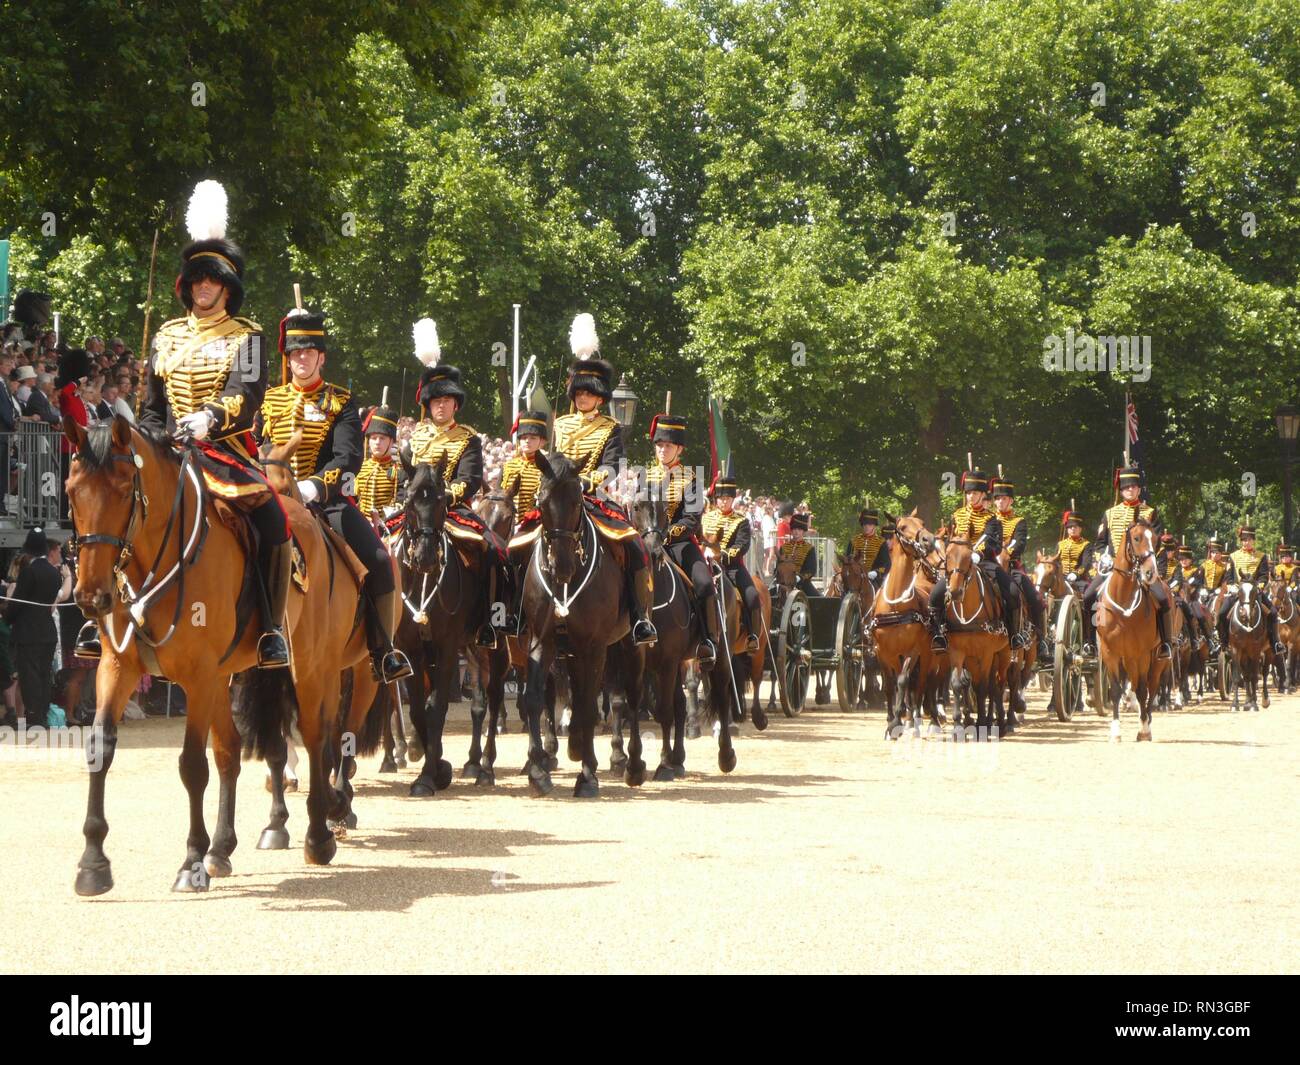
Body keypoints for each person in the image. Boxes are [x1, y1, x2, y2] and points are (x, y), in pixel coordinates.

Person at [81, 179, 291, 667]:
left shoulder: (250, 338)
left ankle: (272, 631)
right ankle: (103, 622)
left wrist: (211, 417)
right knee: (115, 510)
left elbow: (247, 395)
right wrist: (146, 433)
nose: (203, 287)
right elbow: (153, 405)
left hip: (224, 453)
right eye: (196, 279)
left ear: (227, 287)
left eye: (212, 280)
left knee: (275, 522)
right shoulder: (167, 335)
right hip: (167, 450)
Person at [256, 309, 412, 683]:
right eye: (295, 353)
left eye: (309, 351)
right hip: (272, 497)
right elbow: (254, 446)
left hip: (324, 501)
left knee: (377, 558)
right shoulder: (269, 400)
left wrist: (315, 485)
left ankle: (382, 650)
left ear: (322, 357)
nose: (302, 358)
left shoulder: (341, 401)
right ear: (288, 358)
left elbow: (347, 457)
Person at [545, 313, 655, 644]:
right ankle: (519, 614)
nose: (582, 398)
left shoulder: (610, 428)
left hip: (595, 498)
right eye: (578, 393)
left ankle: (639, 618)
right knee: (521, 542)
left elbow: (613, 466)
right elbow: (552, 462)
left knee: (634, 547)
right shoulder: (560, 425)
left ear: (599, 396)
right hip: (562, 498)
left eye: (588, 393)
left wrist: (587, 482)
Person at [406, 318, 515, 648]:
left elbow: (470, 480)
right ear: (428, 404)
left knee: (494, 552)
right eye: (435, 401)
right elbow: (404, 478)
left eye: (447, 401)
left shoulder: (467, 438)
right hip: (416, 513)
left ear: (455, 404)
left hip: (453, 511)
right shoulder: (413, 439)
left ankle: (488, 621)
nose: (441, 405)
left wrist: (443, 498)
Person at [647, 412, 721, 668]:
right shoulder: (643, 477)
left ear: (679, 449)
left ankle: (708, 640)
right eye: (659, 445)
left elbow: (691, 519)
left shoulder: (691, 478)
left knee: (703, 583)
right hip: (647, 542)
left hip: (679, 544)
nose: (662, 450)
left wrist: (665, 535)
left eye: (667, 445)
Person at [1079, 465, 1172, 659]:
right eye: (1127, 487)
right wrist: (1101, 559)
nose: (1130, 490)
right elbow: (1100, 543)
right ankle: (1089, 643)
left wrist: (1150, 565)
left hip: (1143, 567)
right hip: (1114, 568)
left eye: (1134, 486)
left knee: (1162, 598)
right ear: (1121, 490)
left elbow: (1156, 543)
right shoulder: (1110, 514)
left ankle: (1165, 644)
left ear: (1139, 489)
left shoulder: (1151, 512)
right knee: (1087, 596)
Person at [928, 467, 1023, 652]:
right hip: (958, 564)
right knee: (935, 595)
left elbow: (995, 545)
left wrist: (978, 553)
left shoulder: (992, 519)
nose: (971, 497)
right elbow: (949, 540)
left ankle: (1013, 634)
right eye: (969, 493)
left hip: (985, 563)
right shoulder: (957, 515)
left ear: (982, 495)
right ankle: (939, 634)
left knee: (1012, 592)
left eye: (975, 493)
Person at [3, 528, 69, 728]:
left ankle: (34, 718)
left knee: (30, 677)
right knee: (43, 675)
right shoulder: (54, 572)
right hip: (48, 632)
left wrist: (7, 618)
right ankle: (41, 715)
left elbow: (17, 603)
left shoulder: (28, 572)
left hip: (28, 634)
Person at [701, 463, 762, 653]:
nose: (723, 502)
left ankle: (753, 635)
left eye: (727, 498)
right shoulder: (706, 518)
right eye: (720, 498)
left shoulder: (741, 520)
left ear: (732, 499)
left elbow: (741, 546)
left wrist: (720, 555)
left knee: (752, 597)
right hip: (706, 565)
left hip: (732, 568)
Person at [990, 475, 1050, 660]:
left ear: (1011, 500)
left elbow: (1020, 544)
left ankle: (1040, 641)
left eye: (1004, 498)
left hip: (1013, 567)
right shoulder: (989, 519)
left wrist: (1006, 551)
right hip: (990, 565)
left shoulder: (1019, 521)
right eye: (997, 498)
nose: (1000, 502)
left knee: (1035, 598)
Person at [1216, 521, 1286, 656]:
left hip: (1255, 592)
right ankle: (1223, 642)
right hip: (1238, 591)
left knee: (1272, 613)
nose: (1245, 543)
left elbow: (1264, 575)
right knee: (1221, 613)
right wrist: (1231, 586)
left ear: (1253, 540)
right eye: (1243, 540)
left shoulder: (1261, 556)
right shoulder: (1233, 556)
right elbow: (1229, 576)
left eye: (1248, 540)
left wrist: (1259, 586)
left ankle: (1275, 642)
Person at [498, 410, 548, 519]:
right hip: (507, 522)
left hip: (535, 522)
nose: (527, 441)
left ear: (542, 441)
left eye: (533, 438)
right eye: (524, 438)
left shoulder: (547, 469)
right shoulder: (507, 466)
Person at [354, 403, 401, 518]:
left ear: (392, 441)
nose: (377, 442)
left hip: (388, 525)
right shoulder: (359, 467)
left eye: (382, 438)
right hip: (361, 523)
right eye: (374, 438)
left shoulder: (399, 470)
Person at [774, 512, 819, 598]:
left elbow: (811, 570)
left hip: (802, 583)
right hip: (783, 582)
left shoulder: (809, 548)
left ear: (803, 531)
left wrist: (799, 578)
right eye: (794, 529)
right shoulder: (784, 547)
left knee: (819, 600)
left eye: (799, 529)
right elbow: (778, 565)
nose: (796, 532)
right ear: (791, 530)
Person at [849, 506, 890, 584]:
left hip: (874, 579)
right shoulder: (853, 541)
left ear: (874, 525)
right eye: (865, 524)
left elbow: (886, 565)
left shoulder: (881, 542)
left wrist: (876, 572)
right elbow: (847, 559)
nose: (867, 526)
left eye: (870, 524)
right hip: (854, 578)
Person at [1055, 509, 1095, 585]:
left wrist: (1076, 574)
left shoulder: (1086, 544)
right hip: (1060, 578)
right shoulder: (1060, 544)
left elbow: (1086, 563)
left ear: (1080, 529)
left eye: (1075, 526)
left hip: (1078, 579)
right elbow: (1056, 562)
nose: (1073, 528)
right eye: (1070, 527)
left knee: (1087, 593)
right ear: (1067, 529)